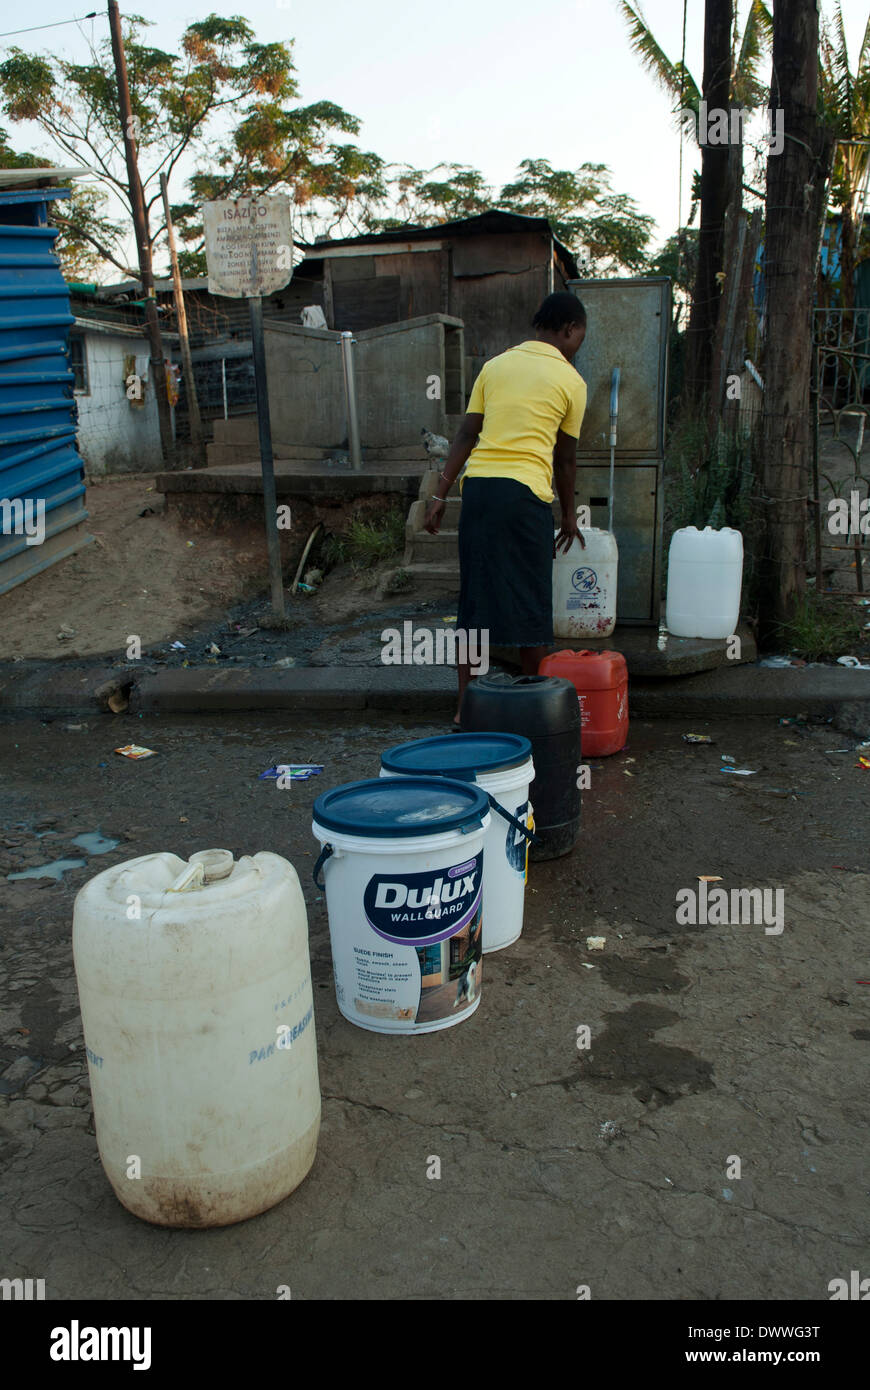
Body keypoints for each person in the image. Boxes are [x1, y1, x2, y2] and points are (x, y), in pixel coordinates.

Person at [423, 292, 588, 725]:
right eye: (579, 338)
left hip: (478, 492)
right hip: (525, 497)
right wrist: (569, 516)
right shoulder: (572, 381)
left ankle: (466, 709)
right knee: (532, 604)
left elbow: (464, 436)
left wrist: (440, 496)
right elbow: (564, 459)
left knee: (476, 603)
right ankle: (531, 710)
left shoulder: (494, 366)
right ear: (570, 330)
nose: (577, 347)